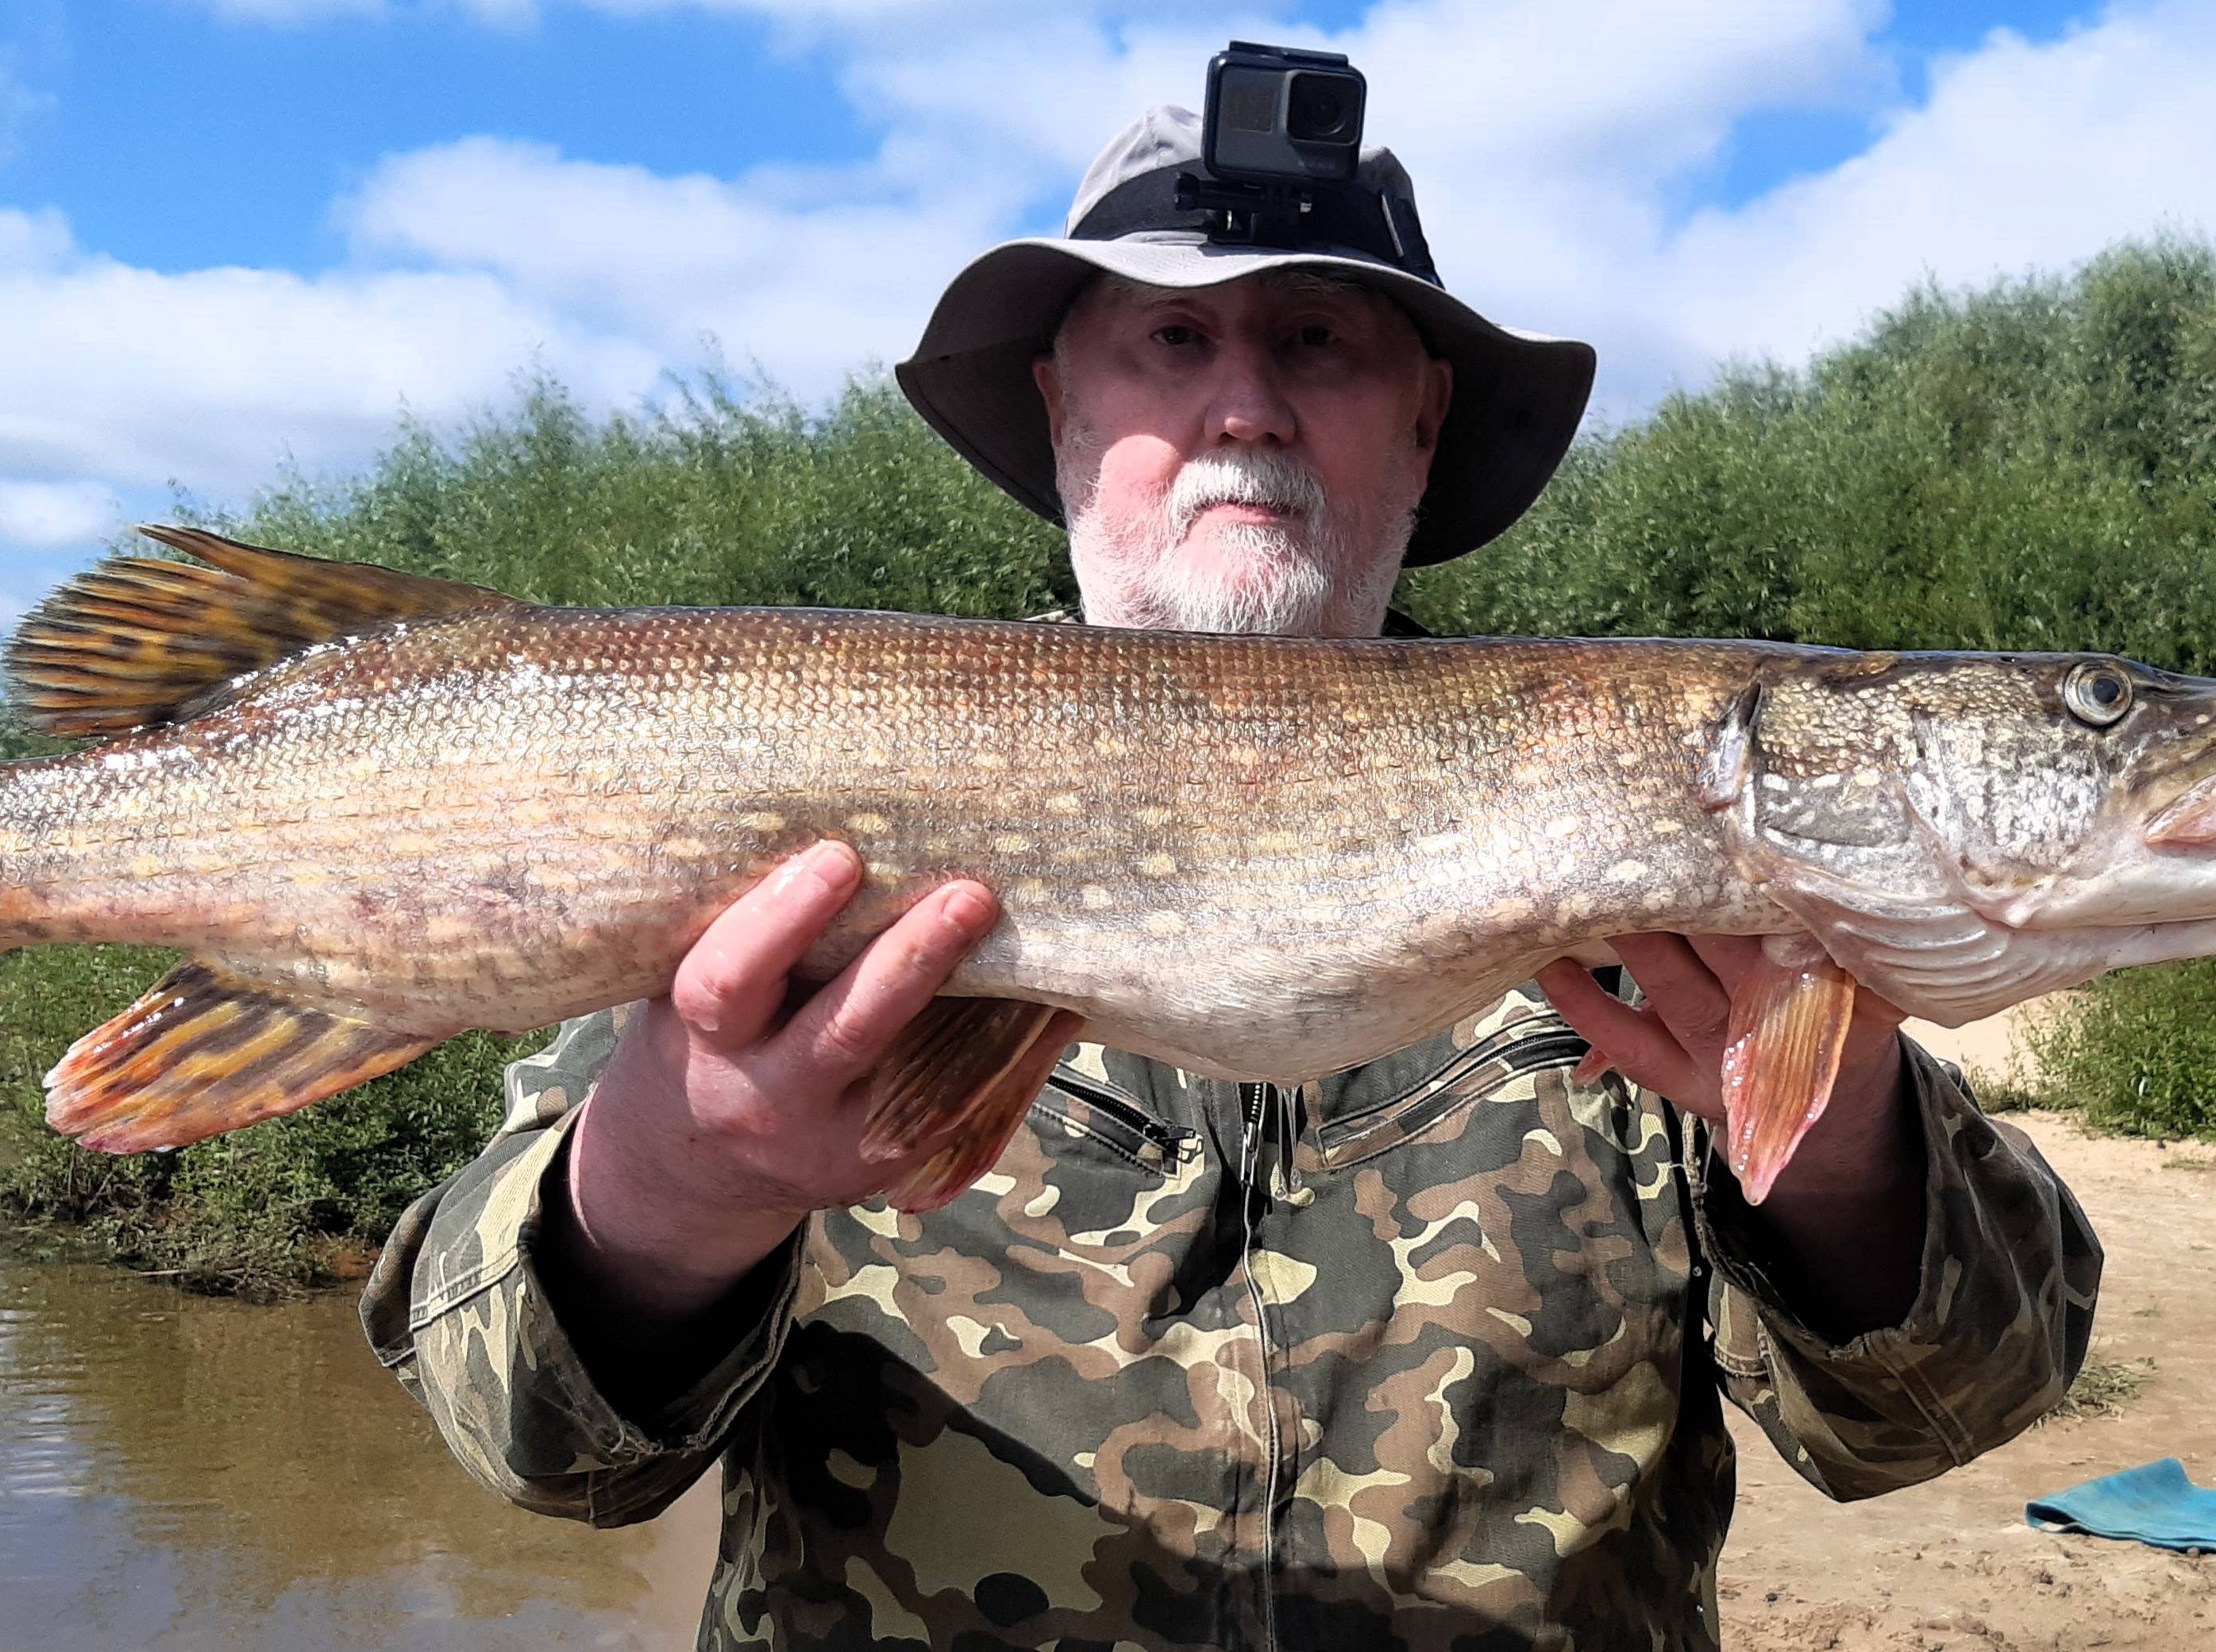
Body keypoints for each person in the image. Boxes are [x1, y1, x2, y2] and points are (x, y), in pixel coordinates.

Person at [360, 102, 2101, 1650]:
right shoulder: (823, 802)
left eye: (1320, 342)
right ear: (1060, 405)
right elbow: (539, 1454)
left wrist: (1846, 1159)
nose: (1244, 406)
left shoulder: (1660, 860)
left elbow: (1941, 1418)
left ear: (1422, 426)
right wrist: (661, 1193)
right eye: (1169, 338)